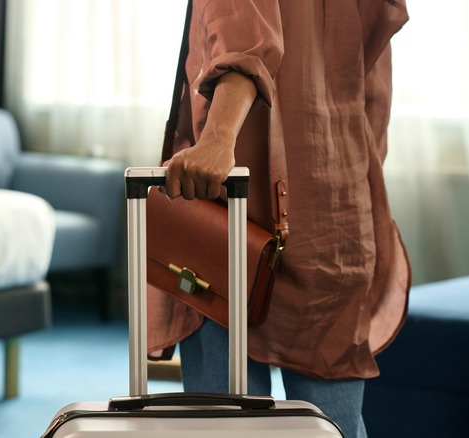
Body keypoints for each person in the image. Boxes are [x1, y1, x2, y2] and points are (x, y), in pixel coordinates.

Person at [147, 1, 412, 437]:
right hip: (336, 209)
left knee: (225, 426)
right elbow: (373, 84)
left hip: (232, 210)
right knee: (333, 425)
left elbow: (244, 37)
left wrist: (216, 138)